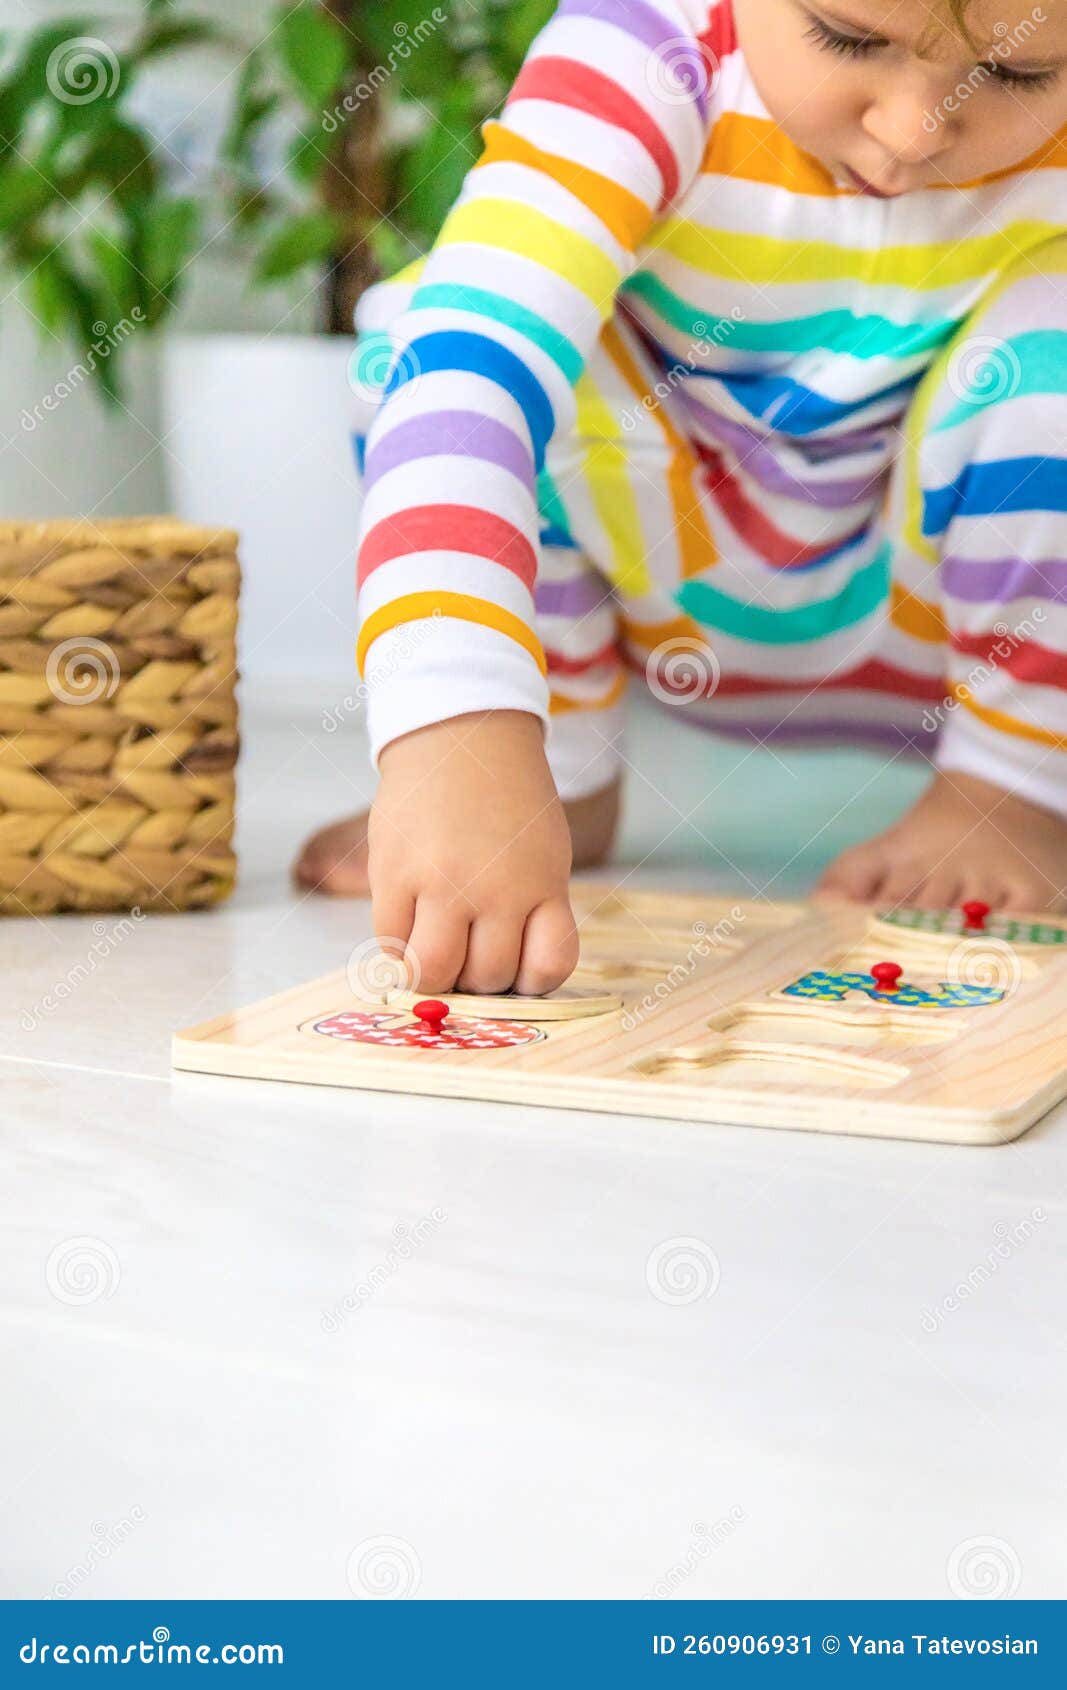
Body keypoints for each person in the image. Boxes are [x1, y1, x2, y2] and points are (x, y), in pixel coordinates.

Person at [296, 0, 1067, 994]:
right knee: (429, 333)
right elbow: (473, 356)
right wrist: (453, 719)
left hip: (938, 618)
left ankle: (1010, 783)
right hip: (671, 579)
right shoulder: (647, 57)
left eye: (1015, 75)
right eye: (845, 37)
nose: (912, 129)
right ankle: (556, 769)